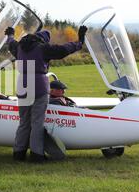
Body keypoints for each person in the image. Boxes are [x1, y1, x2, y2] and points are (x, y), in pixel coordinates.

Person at [6, 26, 88, 163]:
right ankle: (37, 155)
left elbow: (10, 42)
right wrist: (80, 41)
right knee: (37, 123)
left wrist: (10, 34)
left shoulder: (19, 47)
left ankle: (18, 153)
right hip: (39, 87)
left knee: (24, 122)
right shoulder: (43, 48)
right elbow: (64, 50)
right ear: (43, 40)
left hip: (22, 87)